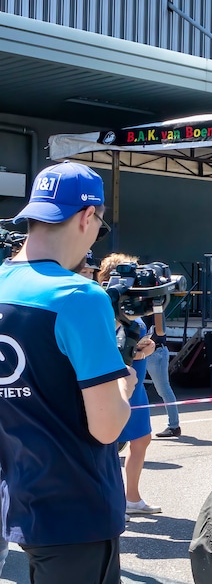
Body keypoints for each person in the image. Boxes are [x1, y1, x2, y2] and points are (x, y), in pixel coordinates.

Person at [0, 162, 133, 583]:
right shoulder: (79, 296)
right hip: (77, 506)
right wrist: (125, 386)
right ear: (85, 216)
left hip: (20, 495)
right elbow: (108, 427)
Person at [98, 253, 162, 519]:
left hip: (135, 384)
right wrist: (134, 353)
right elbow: (105, 350)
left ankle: (132, 498)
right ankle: (112, 501)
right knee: (111, 445)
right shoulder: (105, 310)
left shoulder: (134, 310)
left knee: (141, 440)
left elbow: (137, 346)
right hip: (118, 384)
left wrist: (146, 349)